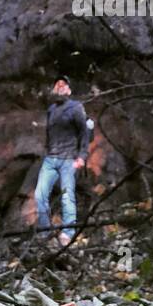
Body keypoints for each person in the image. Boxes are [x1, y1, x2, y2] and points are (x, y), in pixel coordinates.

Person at [34, 74, 88, 246]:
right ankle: (44, 230)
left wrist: (82, 156)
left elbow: (84, 133)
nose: (60, 87)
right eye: (57, 85)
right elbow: (49, 134)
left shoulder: (76, 107)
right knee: (40, 194)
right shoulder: (51, 109)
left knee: (67, 196)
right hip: (50, 158)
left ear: (69, 89)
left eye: (63, 85)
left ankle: (68, 232)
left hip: (68, 159)